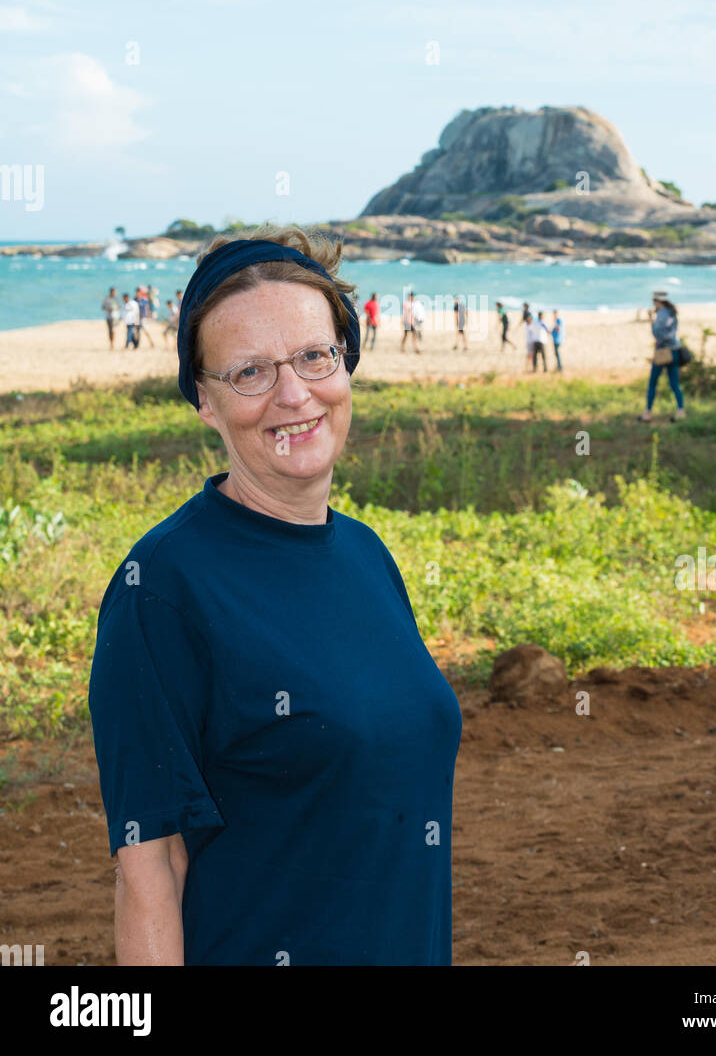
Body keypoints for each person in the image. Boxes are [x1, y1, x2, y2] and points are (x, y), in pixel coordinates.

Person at [88, 226, 462, 966]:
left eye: (313, 357)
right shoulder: (160, 589)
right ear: (204, 399)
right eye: (250, 372)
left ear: (344, 362)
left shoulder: (365, 554)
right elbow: (152, 869)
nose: (294, 395)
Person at [638, 291, 685, 422]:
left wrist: (650, 320)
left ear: (658, 301)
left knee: (653, 382)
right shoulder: (672, 312)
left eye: (654, 301)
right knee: (674, 383)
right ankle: (681, 410)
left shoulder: (662, 314)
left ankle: (648, 412)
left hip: (662, 351)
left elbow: (657, 333)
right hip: (674, 349)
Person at [522, 302, 534, 372]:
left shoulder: (530, 324)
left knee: (531, 355)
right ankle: (527, 367)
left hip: (531, 341)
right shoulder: (528, 325)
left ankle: (529, 367)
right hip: (529, 341)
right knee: (529, 354)